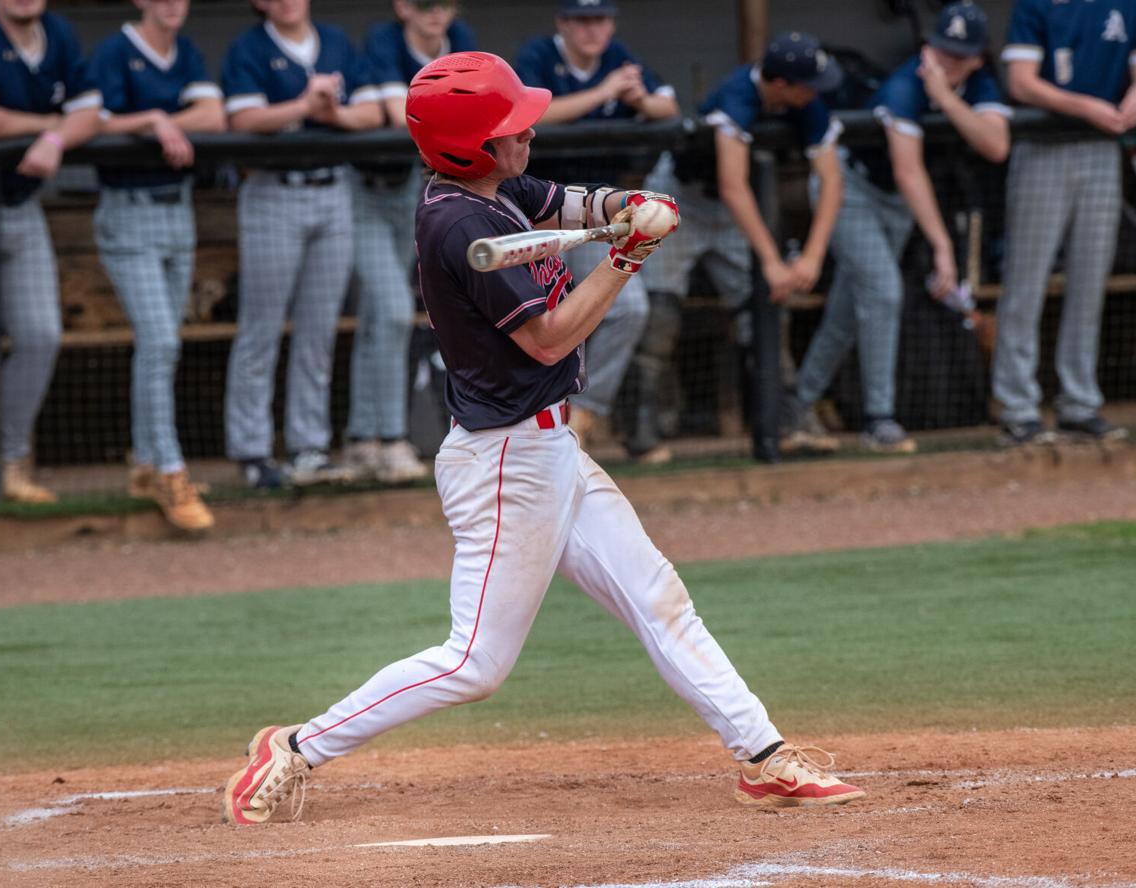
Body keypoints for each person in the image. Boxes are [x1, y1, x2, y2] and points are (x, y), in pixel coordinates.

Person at [221, 52, 866, 825]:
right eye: (510, 128)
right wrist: (626, 255)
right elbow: (551, 339)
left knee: (659, 599)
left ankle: (764, 758)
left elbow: (563, 200)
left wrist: (626, 204)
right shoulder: (459, 224)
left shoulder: (493, 190)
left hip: (550, 449)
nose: (525, 134)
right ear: (472, 146)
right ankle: (296, 745)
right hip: (504, 463)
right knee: (474, 664)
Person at [789, 2, 1011, 455]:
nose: (947, 62)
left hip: (897, 206)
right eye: (941, 51)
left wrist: (947, 98)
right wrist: (942, 246)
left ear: (976, 57)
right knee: (885, 293)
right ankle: (879, 419)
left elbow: (996, 145)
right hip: (853, 192)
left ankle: (796, 405)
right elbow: (909, 172)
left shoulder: (977, 81)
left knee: (847, 313)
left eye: (958, 55)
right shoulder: (905, 85)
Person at [636, 32, 846, 460]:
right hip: (682, 200)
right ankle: (643, 431)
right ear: (781, 84)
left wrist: (812, 255)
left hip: (733, 213)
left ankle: (789, 421)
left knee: (766, 308)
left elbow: (831, 181)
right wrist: (770, 258)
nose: (816, 92)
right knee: (659, 315)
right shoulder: (738, 95)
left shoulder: (807, 104)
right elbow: (733, 185)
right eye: (808, 84)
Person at [221, 0, 383, 489]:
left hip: (333, 191)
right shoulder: (249, 46)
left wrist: (331, 113)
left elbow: (374, 113)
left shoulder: (334, 41)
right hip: (274, 192)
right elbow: (243, 120)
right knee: (261, 329)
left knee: (319, 329)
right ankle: (251, 451)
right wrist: (303, 107)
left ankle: (308, 445)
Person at [515, 0, 680, 460]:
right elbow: (528, 116)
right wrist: (603, 91)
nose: (592, 30)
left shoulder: (621, 56)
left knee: (630, 309)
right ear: (562, 22)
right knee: (529, 317)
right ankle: (530, 421)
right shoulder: (536, 57)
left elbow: (669, 107)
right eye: (581, 20)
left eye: (600, 19)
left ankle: (582, 415)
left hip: (599, 213)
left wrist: (638, 100)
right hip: (536, 210)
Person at [993, 0, 1136, 445]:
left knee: (1089, 281)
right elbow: (1022, 83)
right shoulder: (1036, 6)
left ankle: (1079, 403)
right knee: (1026, 282)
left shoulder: (1128, 6)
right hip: (1045, 149)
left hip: (1101, 152)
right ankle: (1018, 406)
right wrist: (1088, 107)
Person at [89, 0, 225, 531]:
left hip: (178, 212)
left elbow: (213, 116)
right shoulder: (115, 51)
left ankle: (146, 465)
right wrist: (151, 119)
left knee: (163, 342)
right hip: (129, 214)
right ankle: (170, 469)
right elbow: (93, 123)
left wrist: (162, 120)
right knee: (162, 341)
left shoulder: (185, 48)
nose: (173, 4)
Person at [0, 0, 102, 504]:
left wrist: (56, 140)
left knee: (41, 334)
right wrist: (46, 125)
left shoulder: (58, 33)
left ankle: (8, 459)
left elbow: (91, 112)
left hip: (18, 207)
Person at [344, 0, 475, 484]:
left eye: (442, 2)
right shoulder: (384, 40)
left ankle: (363, 440)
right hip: (360, 192)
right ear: (403, 7)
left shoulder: (461, 40)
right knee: (394, 311)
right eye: (422, 3)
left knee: (383, 318)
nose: (433, 12)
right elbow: (395, 110)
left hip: (409, 192)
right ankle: (390, 436)